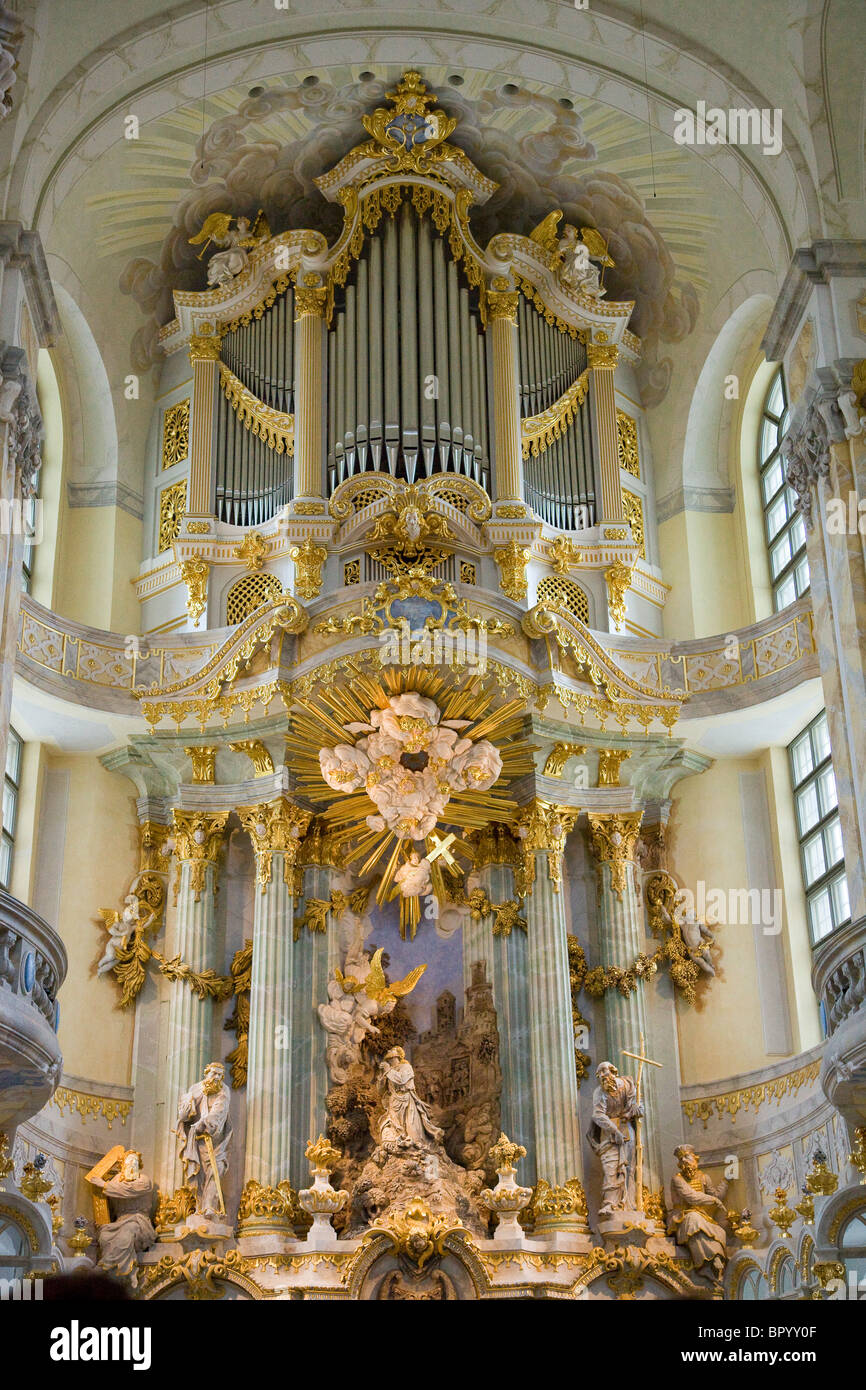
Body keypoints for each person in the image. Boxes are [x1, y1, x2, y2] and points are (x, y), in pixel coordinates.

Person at [176, 1060, 232, 1217]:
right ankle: (200, 1207)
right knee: (199, 1173)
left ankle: (210, 1206)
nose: (216, 1078)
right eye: (214, 1073)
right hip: (197, 1139)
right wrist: (184, 1115)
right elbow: (185, 1111)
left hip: (217, 1139)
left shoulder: (224, 1090)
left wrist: (205, 1123)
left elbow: (219, 1112)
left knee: (217, 1168)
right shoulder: (195, 1089)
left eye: (220, 1075)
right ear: (206, 1073)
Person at [586, 1061, 642, 1213]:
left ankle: (629, 1203)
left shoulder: (628, 1084)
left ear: (613, 1071)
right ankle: (610, 1203)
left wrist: (635, 1110)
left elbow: (637, 1107)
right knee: (610, 1167)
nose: (602, 1076)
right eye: (599, 1074)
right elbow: (598, 1115)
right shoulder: (600, 1092)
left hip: (626, 1129)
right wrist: (614, 1130)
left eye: (604, 1071)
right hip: (608, 1132)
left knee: (628, 1167)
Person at [93, 1150, 155, 1287]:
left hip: (139, 1220)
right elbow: (117, 1189)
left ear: (139, 1165)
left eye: (135, 1161)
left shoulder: (143, 1180)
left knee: (127, 1232)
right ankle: (111, 1268)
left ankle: (109, 1266)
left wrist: (104, 1185)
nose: (132, 1164)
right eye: (129, 1161)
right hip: (119, 1221)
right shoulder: (116, 1181)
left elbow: (128, 1190)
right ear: (123, 1166)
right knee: (104, 1235)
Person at [667, 1144, 729, 1278]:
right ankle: (707, 1263)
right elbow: (691, 1196)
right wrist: (714, 1201)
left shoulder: (704, 1177)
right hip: (681, 1218)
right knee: (693, 1219)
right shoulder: (677, 1179)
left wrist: (726, 1181)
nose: (683, 1161)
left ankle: (715, 1258)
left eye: (686, 1157)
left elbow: (716, 1196)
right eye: (681, 1159)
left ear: (695, 1159)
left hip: (703, 1217)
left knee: (712, 1227)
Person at [376, 1047, 443, 1147]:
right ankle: (400, 1147)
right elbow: (381, 1091)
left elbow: (402, 1080)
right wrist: (382, 1076)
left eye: (392, 1050)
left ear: (397, 1054)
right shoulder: (388, 1069)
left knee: (413, 1132)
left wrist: (388, 1070)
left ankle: (417, 1150)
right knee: (396, 1130)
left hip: (407, 1102)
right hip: (394, 1102)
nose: (388, 1051)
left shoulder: (406, 1067)